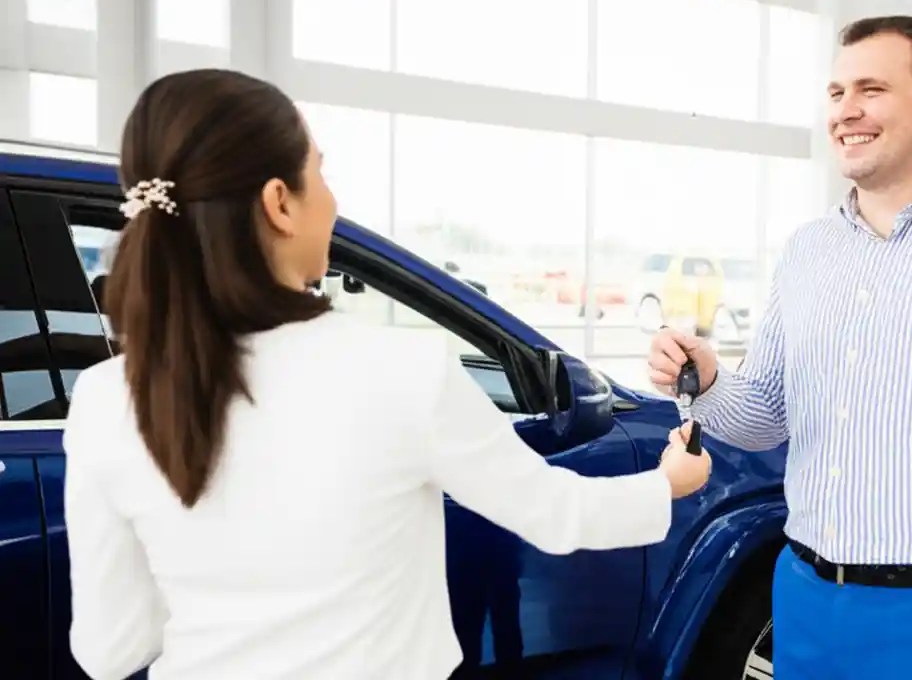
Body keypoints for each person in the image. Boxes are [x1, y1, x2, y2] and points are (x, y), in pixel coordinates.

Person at [62, 68, 712, 680]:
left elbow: (110, 648)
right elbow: (554, 513)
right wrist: (667, 482)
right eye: (321, 171)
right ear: (279, 203)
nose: (333, 199)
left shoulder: (102, 400)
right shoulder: (401, 372)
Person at [649, 15, 912, 680]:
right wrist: (708, 382)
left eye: (871, 89)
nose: (845, 112)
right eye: (835, 92)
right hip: (803, 599)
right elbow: (767, 417)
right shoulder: (808, 250)